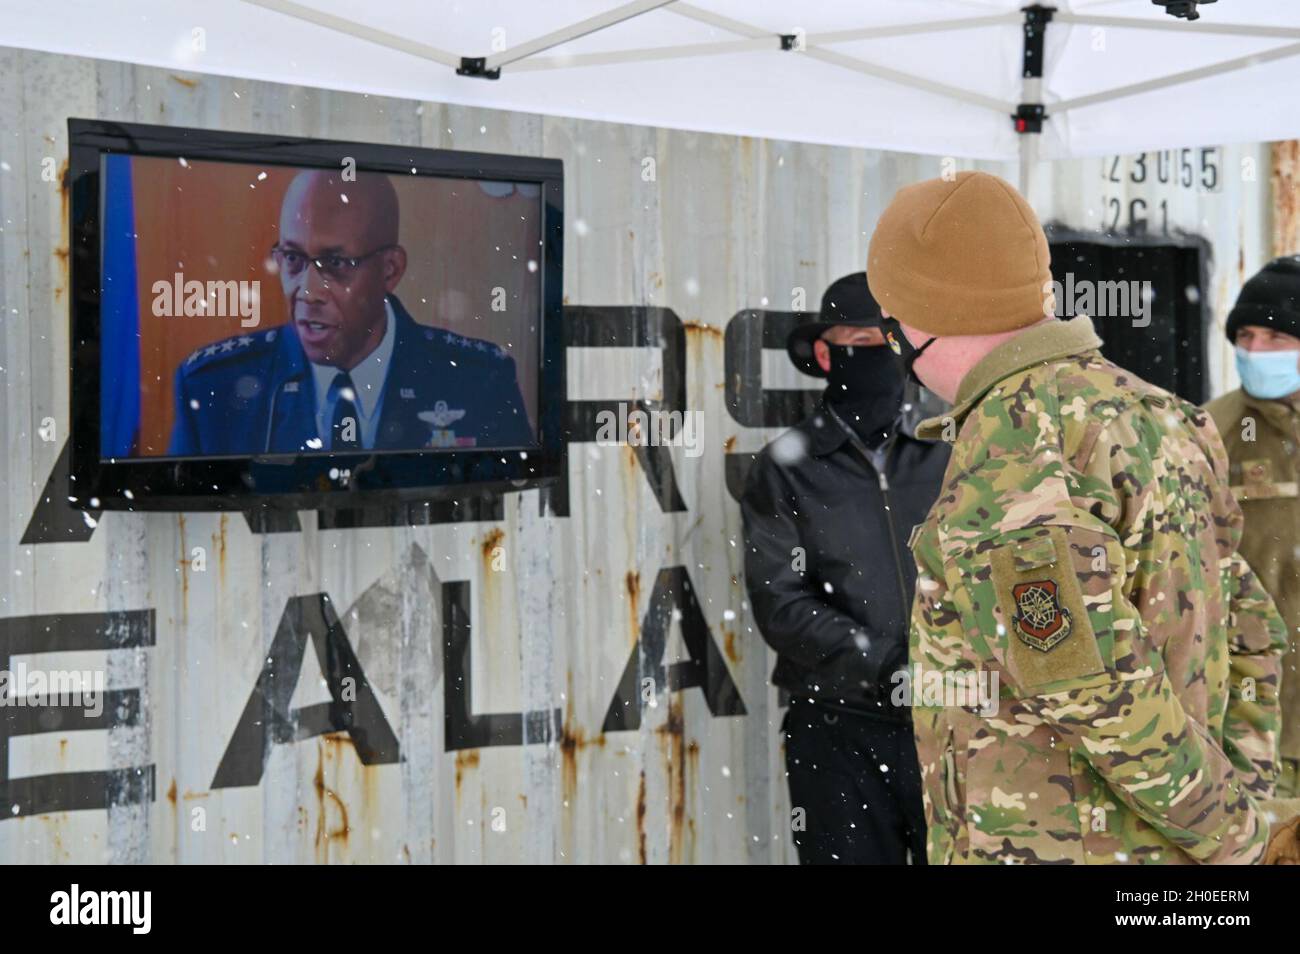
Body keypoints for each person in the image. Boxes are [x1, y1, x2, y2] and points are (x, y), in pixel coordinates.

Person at [867, 170, 1287, 864]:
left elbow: (1094, 689)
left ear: (919, 320)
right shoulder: (1163, 415)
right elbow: (1252, 632)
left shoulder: (1015, 447)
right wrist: (1245, 807)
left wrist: (1236, 841)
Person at [741, 272, 950, 864]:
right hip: (836, 731)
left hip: (953, 723)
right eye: (855, 339)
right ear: (826, 354)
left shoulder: (953, 450)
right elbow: (780, 603)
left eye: (885, 339)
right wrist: (885, 663)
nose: (873, 353)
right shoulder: (786, 469)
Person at [168, 170, 533, 455]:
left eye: (336, 262)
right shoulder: (212, 387)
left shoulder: (480, 381)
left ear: (390, 269)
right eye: (293, 259)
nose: (307, 291)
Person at [1205, 257, 1300, 802]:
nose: (1256, 351)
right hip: (1253, 726)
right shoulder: (1208, 431)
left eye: (1277, 336)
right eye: (1246, 335)